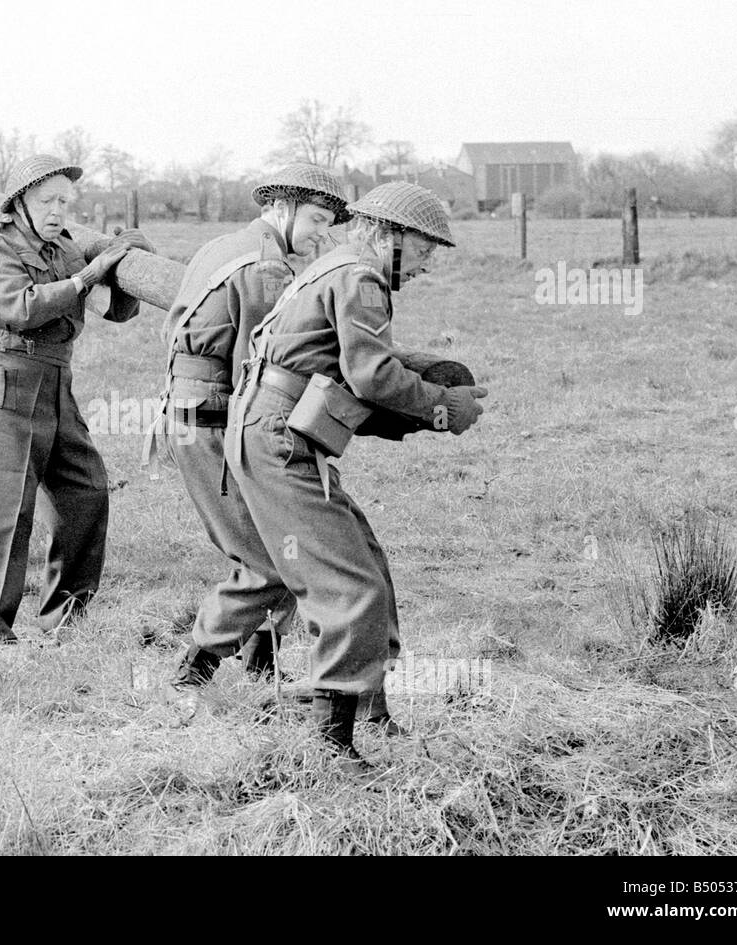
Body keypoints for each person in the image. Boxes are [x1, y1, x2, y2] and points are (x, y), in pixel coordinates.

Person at [224, 182, 489, 761]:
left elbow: (342, 377)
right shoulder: (361, 278)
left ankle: (367, 708)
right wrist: (445, 409)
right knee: (352, 586)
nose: (426, 266)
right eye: (423, 250)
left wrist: (425, 394)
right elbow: (371, 376)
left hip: (279, 432)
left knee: (365, 561)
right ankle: (332, 745)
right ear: (385, 234)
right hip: (280, 439)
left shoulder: (333, 266)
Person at [150, 164, 352, 689]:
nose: (321, 235)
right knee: (273, 556)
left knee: (271, 539)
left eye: (329, 223)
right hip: (218, 420)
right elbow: (258, 375)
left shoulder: (220, 246)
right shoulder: (267, 271)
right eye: (314, 219)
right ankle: (195, 669)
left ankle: (262, 665)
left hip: (190, 415)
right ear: (281, 209)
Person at [0, 154, 149, 644]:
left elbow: (116, 312)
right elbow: (19, 307)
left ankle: (66, 615)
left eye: (66, 201)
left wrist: (129, 260)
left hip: (52, 373)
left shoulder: (64, 246)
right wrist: (87, 276)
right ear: (20, 201)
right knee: (4, 505)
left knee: (85, 488)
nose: (59, 209)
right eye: (48, 200)